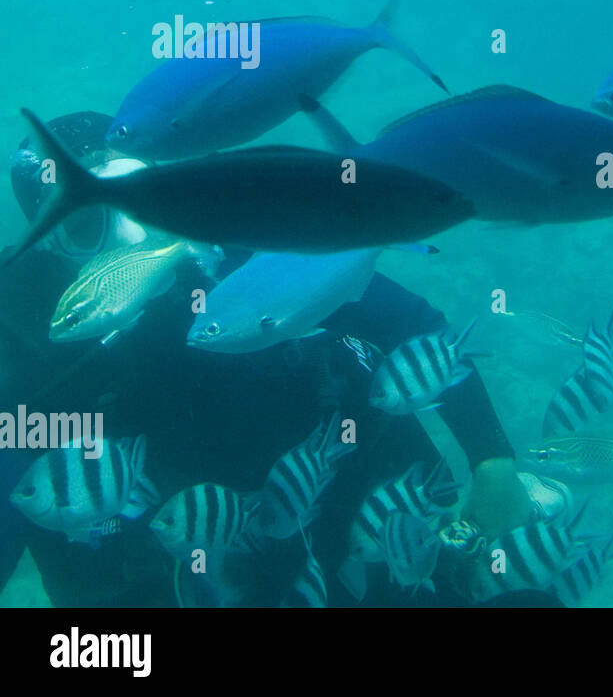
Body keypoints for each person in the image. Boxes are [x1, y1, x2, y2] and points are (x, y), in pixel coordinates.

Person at [0, 112, 545, 607]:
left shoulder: (239, 242)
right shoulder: (30, 330)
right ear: (48, 242)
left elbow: (413, 325)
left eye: (140, 196)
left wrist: (492, 463)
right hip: (192, 549)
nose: (134, 232)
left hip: (359, 499)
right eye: (86, 223)